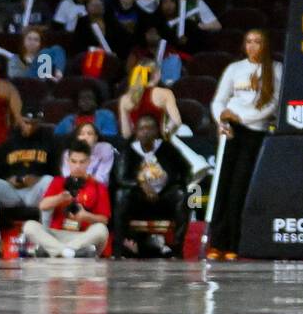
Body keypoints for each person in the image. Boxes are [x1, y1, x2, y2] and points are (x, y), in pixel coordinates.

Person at [207, 29, 281, 260]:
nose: (252, 46)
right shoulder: (234, 69)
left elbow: (274, 104)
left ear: (265, 45)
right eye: (248, 41)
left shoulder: (276, 69)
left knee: (240, 188)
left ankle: (234, 244)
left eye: (257, 42)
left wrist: (245, 118)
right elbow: (219, 100)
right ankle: (216, 243)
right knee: (223, 187)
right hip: (231, 132)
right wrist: (222, 119)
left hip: (255, 132)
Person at [0, 108, 56, 257]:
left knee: (49, 181)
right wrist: (8, 179)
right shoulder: (9, 142)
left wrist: (37, 178)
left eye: (34, 124)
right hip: (12, 192)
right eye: (26, 122)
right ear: (20, 120)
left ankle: (44, 238)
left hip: (35, 193)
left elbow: (57, 173)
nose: (29, 126)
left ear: (40, 123)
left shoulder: (49, 141)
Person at [114, 114, 189, 258]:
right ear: (136, 132)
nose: (146, 132)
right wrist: (141, 184)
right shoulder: (129, 151)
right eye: (142, 128)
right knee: (120, 194)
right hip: (138, 202)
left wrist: (165, 183)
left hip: (163, 200)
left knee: (181, 194)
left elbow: (182, 174)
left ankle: (177, 249)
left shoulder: (167, 149)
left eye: (150, 128)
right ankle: (119, 248)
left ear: (157, 131)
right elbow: (121, 179)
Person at [24, 141, 109, 258]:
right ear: (68, 161)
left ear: (89, 162)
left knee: (101, 230)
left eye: (82, 162)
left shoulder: (99, 186)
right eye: (74, 161)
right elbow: (43, 206)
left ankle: (56, 251)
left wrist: (86, 216)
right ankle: (71, 252)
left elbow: (104, 220)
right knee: (29, 226)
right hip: (56, 234)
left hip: (82, 236)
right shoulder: (58, 181)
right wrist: (59, 198)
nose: (77, 166)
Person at [118, 64, 182, 140]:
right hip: (159, 141)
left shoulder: (124, 99)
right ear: (156, 75)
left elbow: (126, 134)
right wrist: (166, 134)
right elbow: (176, 121)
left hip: (138, 143)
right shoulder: (165, 93)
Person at [53, 87, 119, 140]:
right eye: (82, 99)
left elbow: (111, 136)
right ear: (77, 102)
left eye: (89, 98)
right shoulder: (69, 119)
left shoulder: (106, 115)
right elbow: (56, 136)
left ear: (96, 101)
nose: (85, 102)